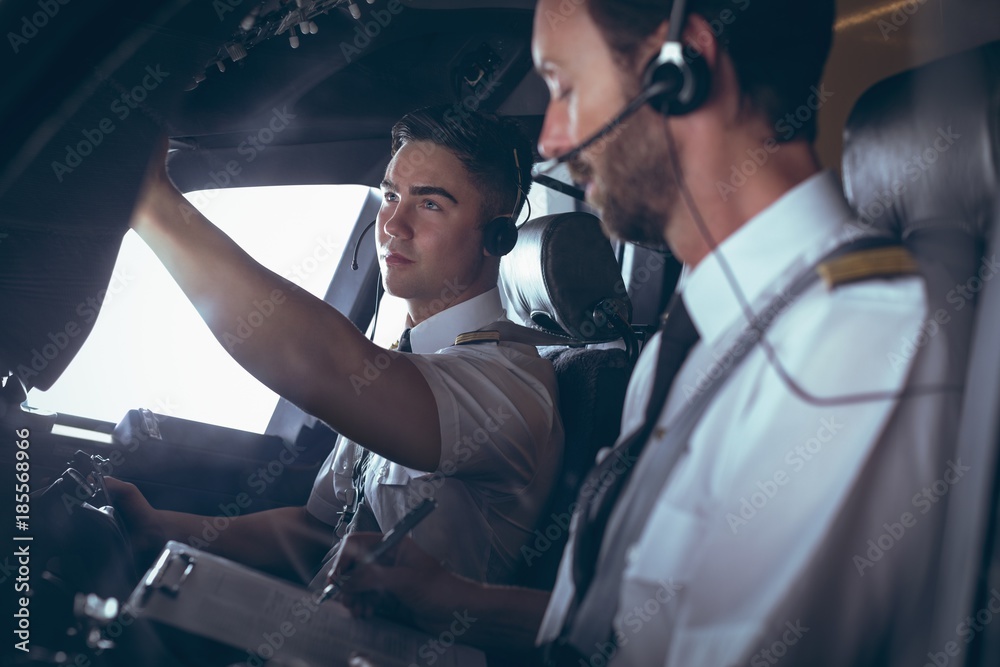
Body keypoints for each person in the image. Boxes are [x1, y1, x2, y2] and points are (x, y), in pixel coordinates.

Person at [327, 1, 960, 665]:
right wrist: (442, 595)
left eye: (566, 87)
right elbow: (629, 623)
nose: (550, 140)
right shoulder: (691, 339)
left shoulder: (845, 343)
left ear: (682, 68)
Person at [108, 105, 564, 588]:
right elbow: (318, 532)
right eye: (391, 195)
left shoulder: (511, 386)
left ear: (498, 235)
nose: (393, 225)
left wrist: (154, 203)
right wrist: (158, 528)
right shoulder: (402, 364)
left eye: (430, 204)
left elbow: (323, 363)